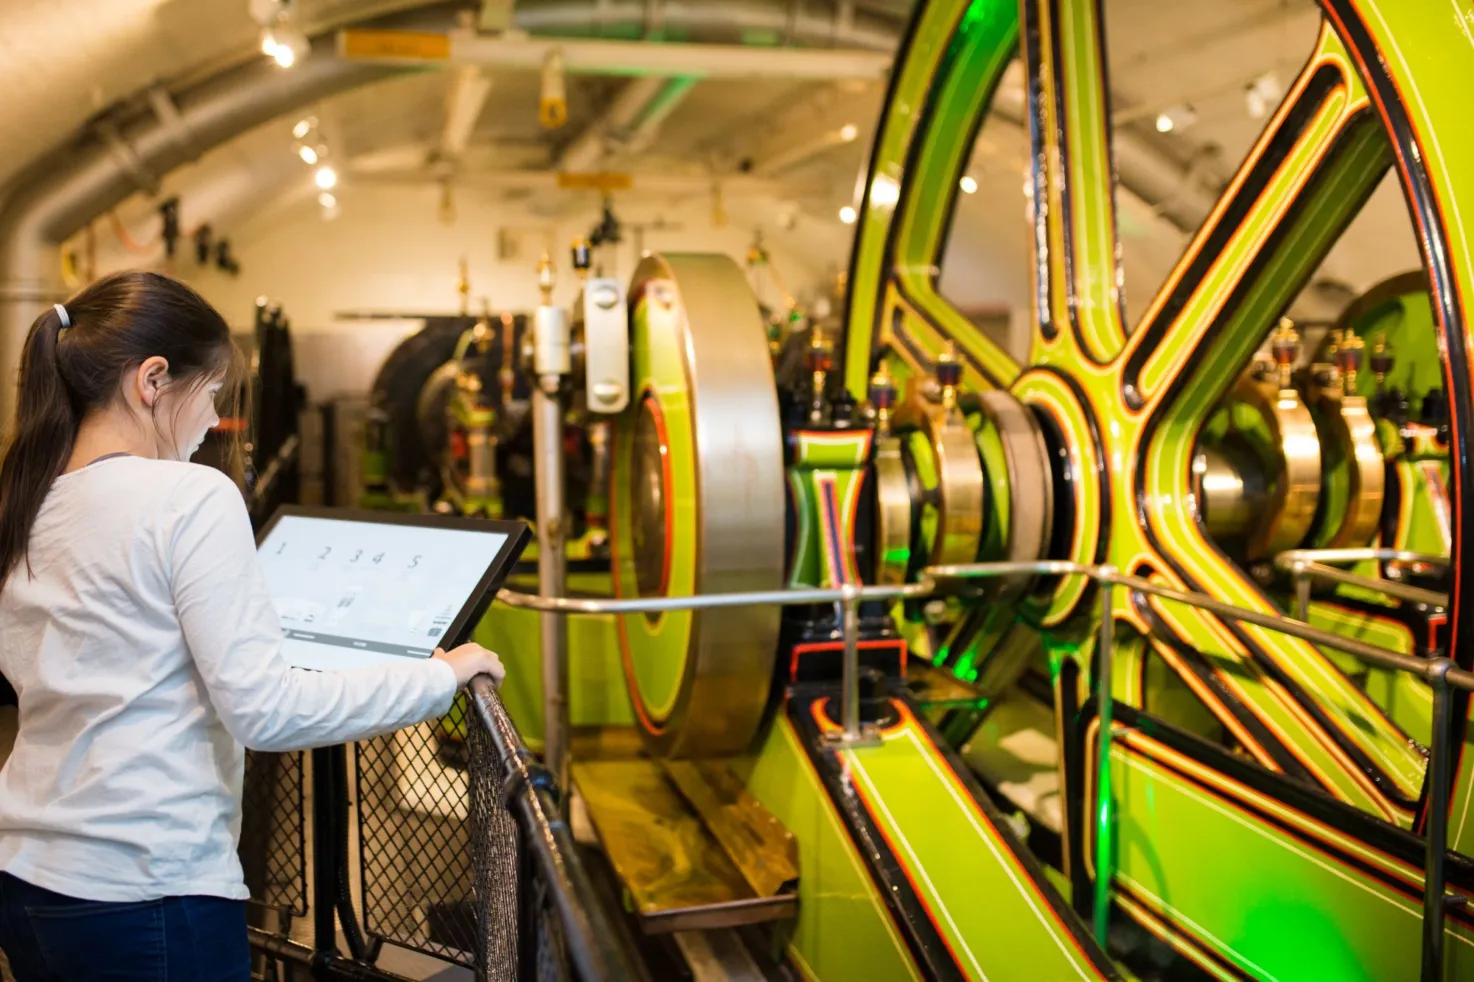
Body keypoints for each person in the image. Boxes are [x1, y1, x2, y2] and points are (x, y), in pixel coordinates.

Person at [0, 272, 504, 980]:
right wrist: (439, 678)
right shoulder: (188, 496)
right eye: (209, 396)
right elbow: (265, 712)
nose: (212, 423)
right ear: (152, 381)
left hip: (27, 875)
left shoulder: (31, 496)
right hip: (147, 888)